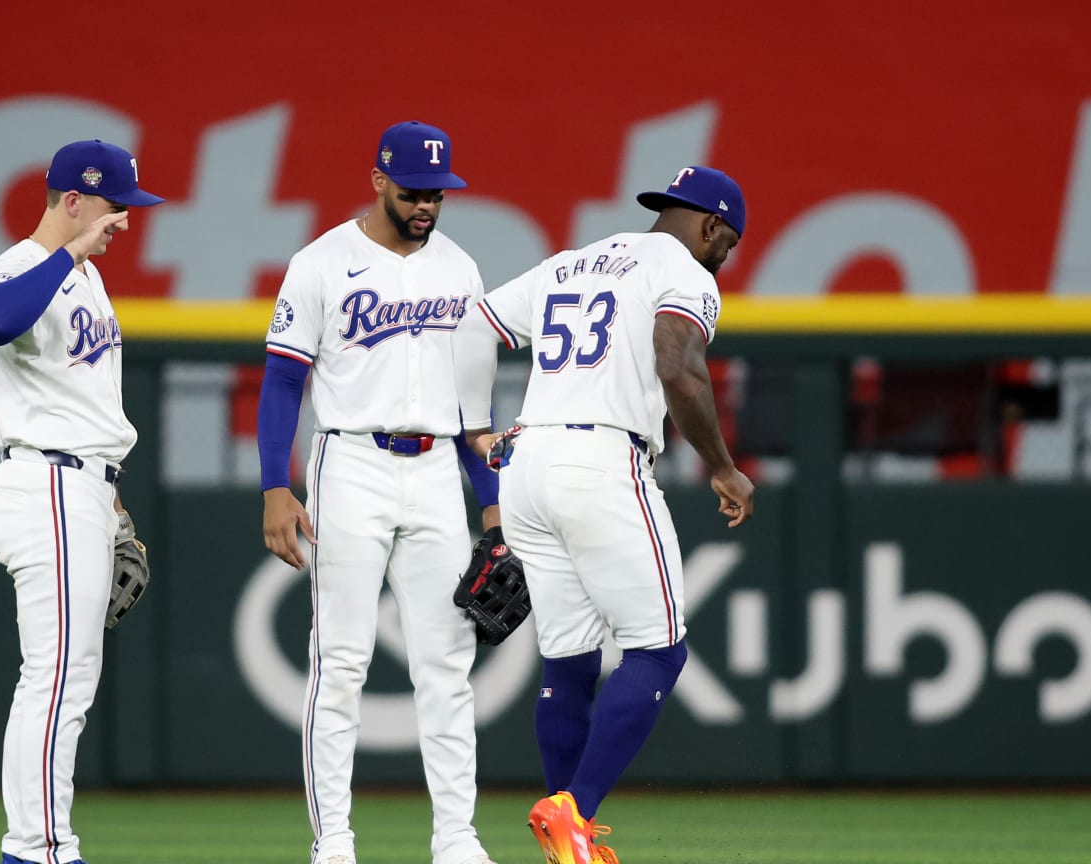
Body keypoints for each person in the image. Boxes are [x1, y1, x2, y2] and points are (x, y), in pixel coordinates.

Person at [455, 166, 757, 864]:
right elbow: (678, 366)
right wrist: (720, 464)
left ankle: (572, 843)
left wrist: (477, 424)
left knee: (569, 661)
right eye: (728, 244)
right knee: (658, 649)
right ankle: (577, 810)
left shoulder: (570, 262)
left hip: (527, 462)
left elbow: (473, 329)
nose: (724, 258)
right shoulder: (686, 272)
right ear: (710, 227)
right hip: (602, 460)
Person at [258, 120, 501, 864]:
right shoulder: (321, 263)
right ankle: (333, 841)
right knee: (340, 663)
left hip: (435, 471)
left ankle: (456, 839)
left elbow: (476, 413)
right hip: (350, 462)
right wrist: (275, 486)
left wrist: (491, 504)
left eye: (437, 192)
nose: (426, 204)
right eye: (413, 191)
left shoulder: (460, 270)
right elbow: (282, 382)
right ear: (377, 181)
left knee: (448, 664)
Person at [0, 139, 164, 864]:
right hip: (43, 482)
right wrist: (68, 252)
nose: (125, 222)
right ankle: (38, 849)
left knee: (67, 678)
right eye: (116, 207)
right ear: (74, 200)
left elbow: (80, 402)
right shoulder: (21, 266)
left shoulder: (87, 279)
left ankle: (40, 845)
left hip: (81, 485)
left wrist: (110, 503)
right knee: (55, 678)